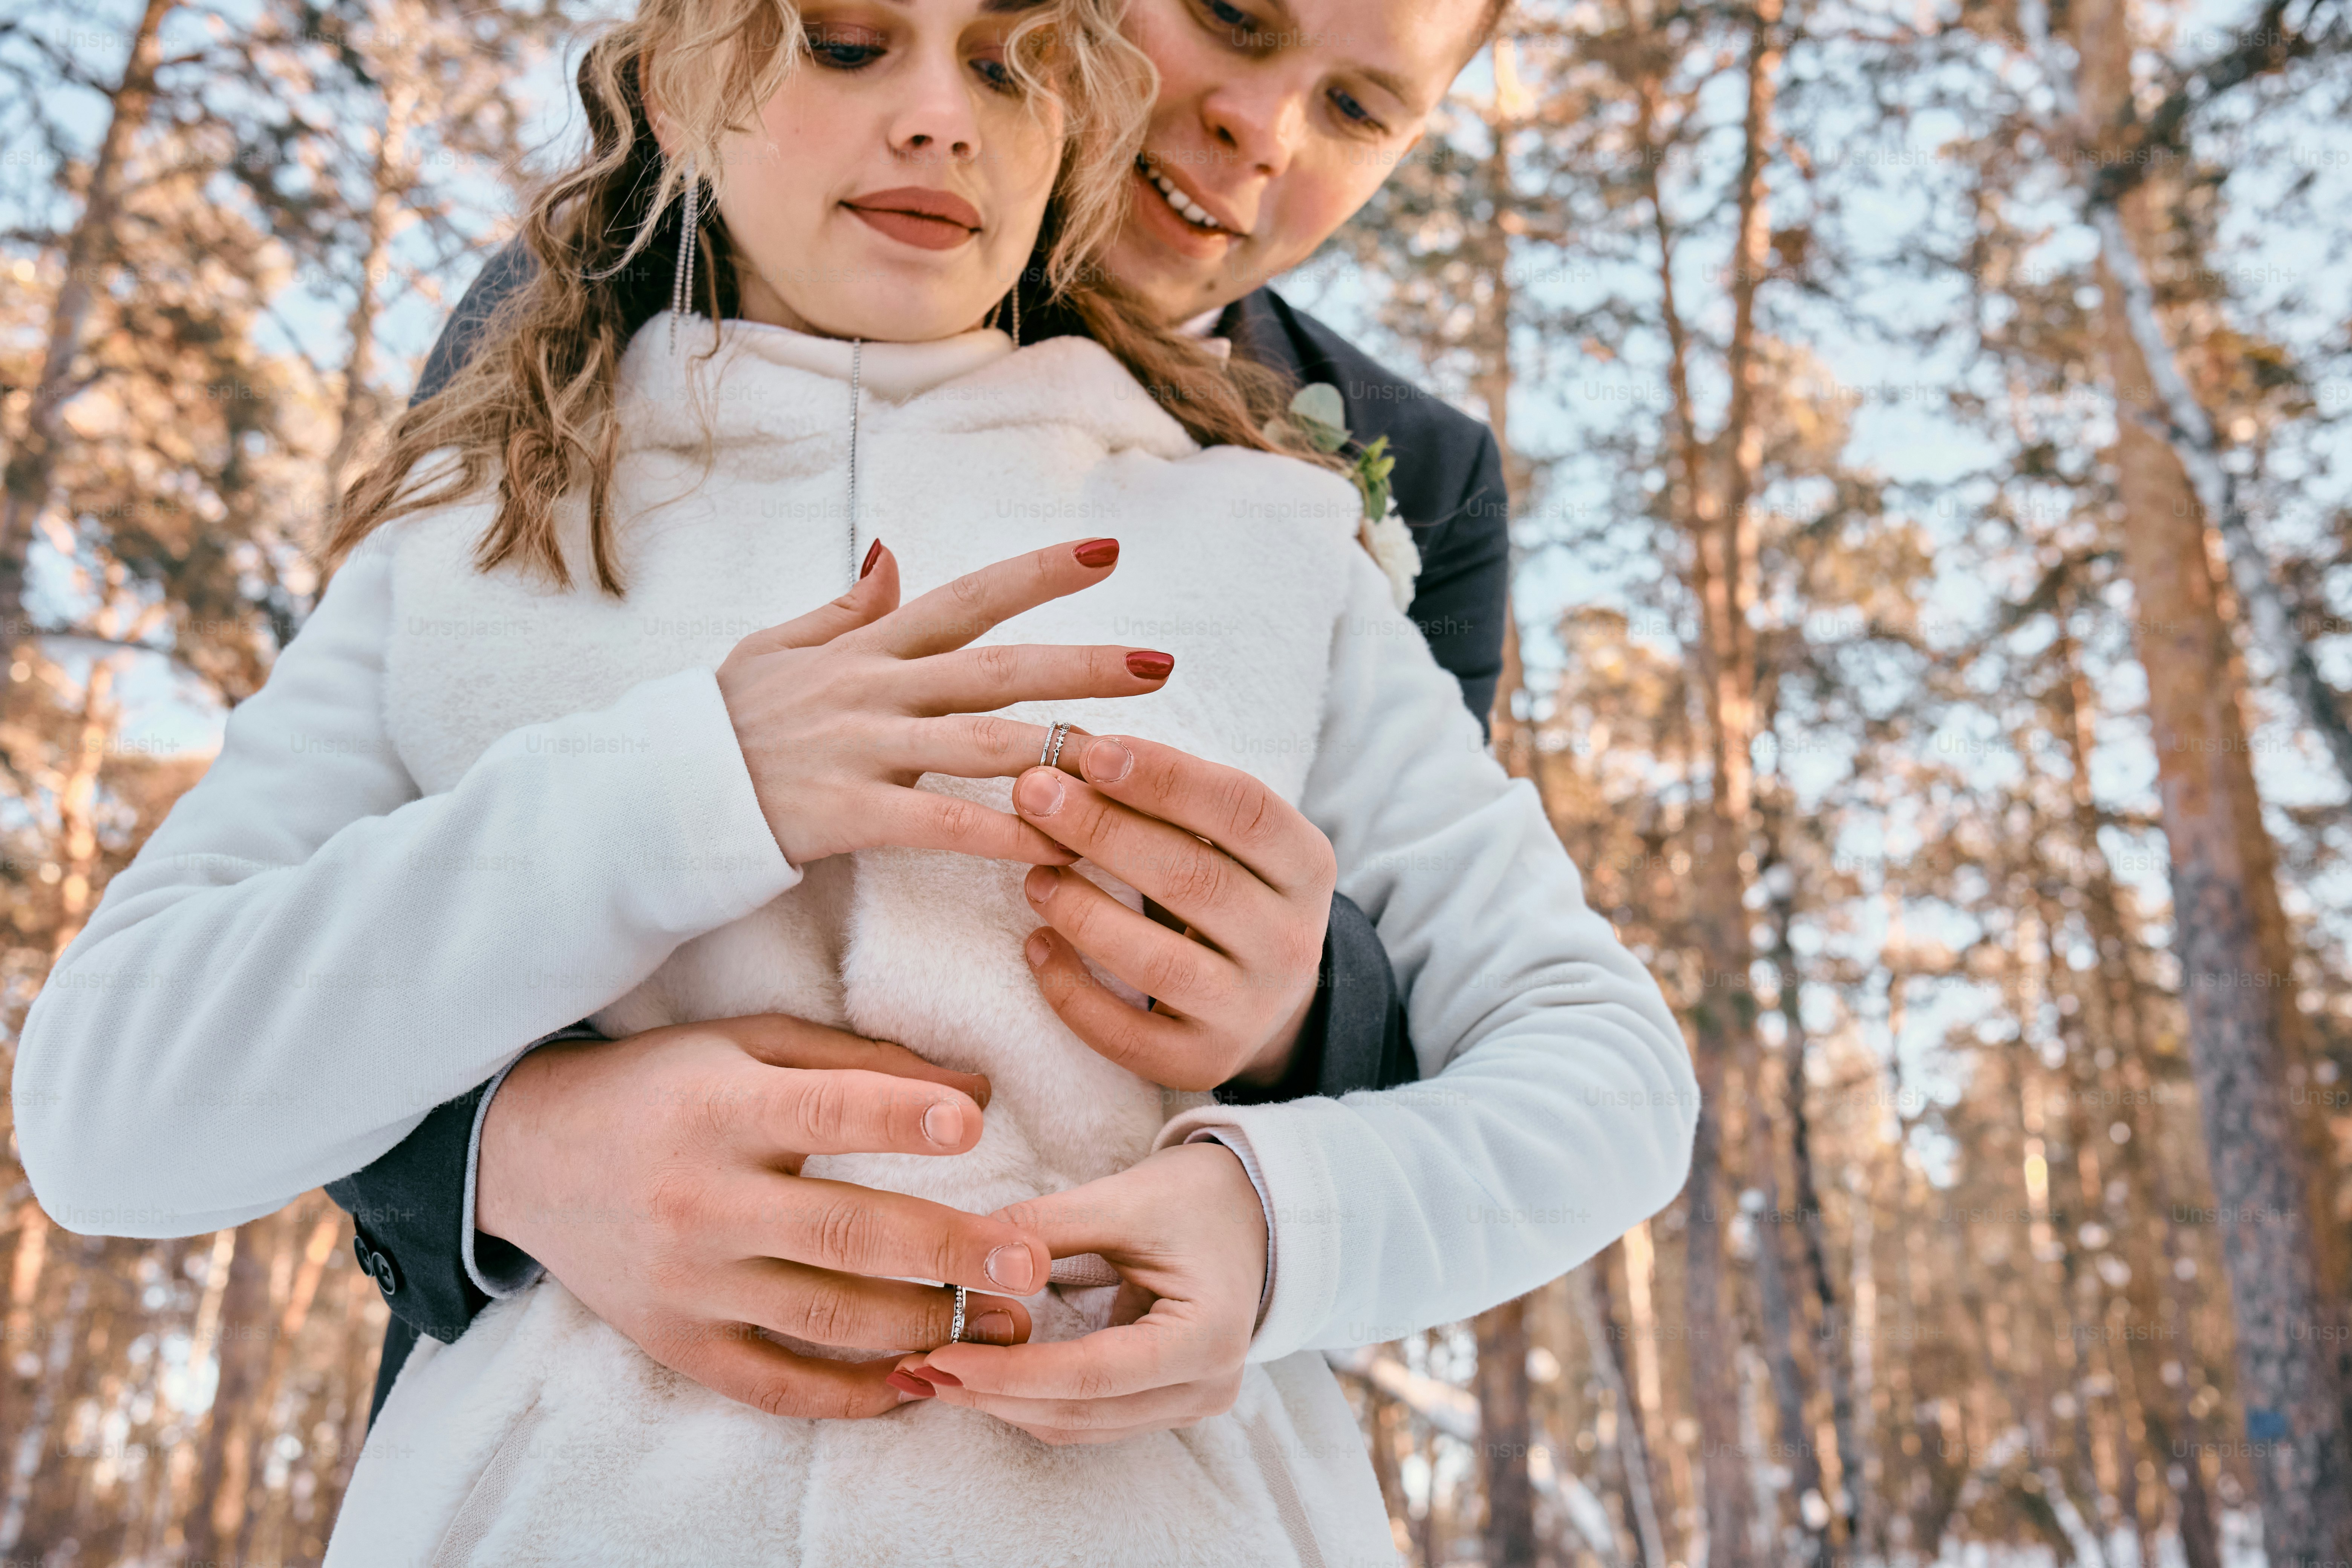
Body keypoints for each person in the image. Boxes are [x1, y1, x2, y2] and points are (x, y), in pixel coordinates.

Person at [14, 0, 1695, 1556]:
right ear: (684, 76)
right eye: (844, 40)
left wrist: (1287, 1208)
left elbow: (1581, 1052)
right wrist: (679, 802)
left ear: (1071, 117)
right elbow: (112, 1098)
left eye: (1006, 67)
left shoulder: (1284, 537)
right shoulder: (492, 513)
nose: (937, 120)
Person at [330, 0, 1521, 1433]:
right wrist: (505, 1156)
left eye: (1358, 112)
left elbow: (1451, 982)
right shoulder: (630, 272)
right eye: (1234, 21)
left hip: (1097, 1421)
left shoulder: (1418, 476)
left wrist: (1293, 1022)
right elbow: (359, 858)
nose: (1259, 132)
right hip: (580, 1404)